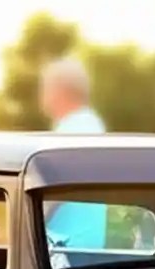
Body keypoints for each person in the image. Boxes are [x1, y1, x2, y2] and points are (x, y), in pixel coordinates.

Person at [40, 57, 108, 250]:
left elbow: (54, 189)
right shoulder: (91, 125)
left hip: (69, 246)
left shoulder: (73, 130)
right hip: (87, 244)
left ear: (59, 91)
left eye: (45, 88)